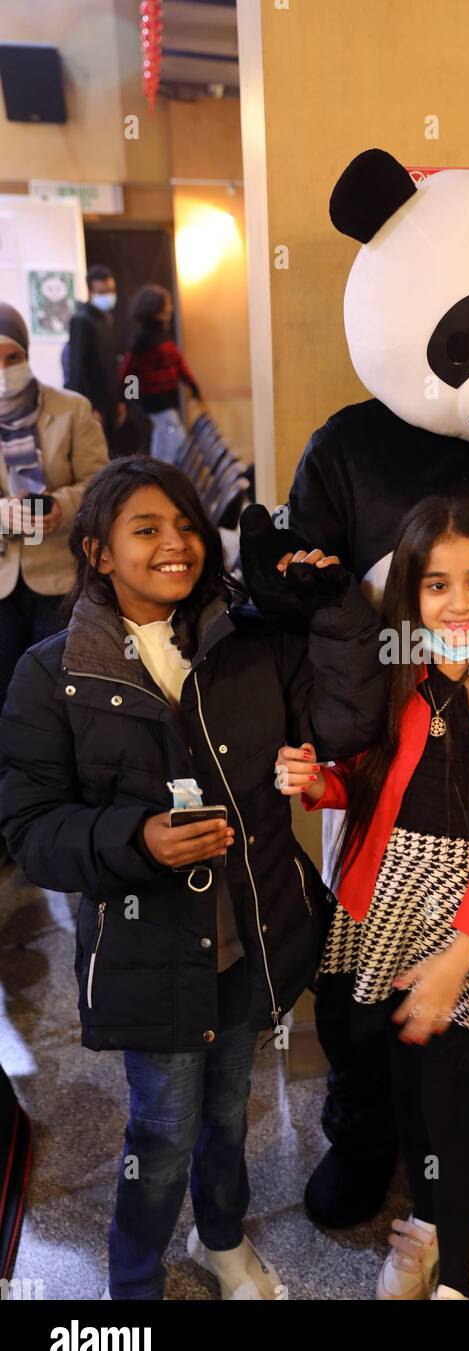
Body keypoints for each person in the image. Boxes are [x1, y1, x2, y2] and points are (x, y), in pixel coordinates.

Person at [0, 457, 386, 1301]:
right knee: (164, 1124)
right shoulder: (51, 675)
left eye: (185, 526)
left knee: (226, 1108)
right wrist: (134, 837)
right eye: (147, 530)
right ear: (99, 553)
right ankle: (132, 1275)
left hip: (254, 929)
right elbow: (30, 833)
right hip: (148, 953)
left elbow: (346, 722)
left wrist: (337, 608)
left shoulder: (246, 642)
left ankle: (221, 1240)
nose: (176, 544)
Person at [278, 497, 469, 1300]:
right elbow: (364, 784)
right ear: (409, 595)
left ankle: (451, 1271)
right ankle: (424, 1228)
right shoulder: (394, 682)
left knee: (449, 1094)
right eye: (437, 585)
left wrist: (460, 952)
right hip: (385, 903)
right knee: (398, 1071)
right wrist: (317, 782)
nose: (460, 602)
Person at [0, 302, 108, 711]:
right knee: (5, 688)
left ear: (27, 355)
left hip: (58, 574)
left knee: (58, 686)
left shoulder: (72, 408)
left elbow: (103, 484)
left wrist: (62, 505)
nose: (5, 369)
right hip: (2, 574)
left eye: (13, 357)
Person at [119, 285, 202, 464]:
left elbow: (177, 362)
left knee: (163, 442)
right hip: (155, 402)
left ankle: (159, 475)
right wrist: (130, 399)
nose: (170, 308)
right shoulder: (142, 337)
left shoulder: (162, 331)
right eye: (166, 305)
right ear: (155, 308)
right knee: (178, 442)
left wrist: (192, 386)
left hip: (167, 400)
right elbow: (128, 371)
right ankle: (167, 476)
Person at [64, 264, 122, 439]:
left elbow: (114, 363)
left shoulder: (108, 319)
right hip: (94, 406)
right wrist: (89, 408)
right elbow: (77, 367)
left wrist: (121, 400)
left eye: (110, 290)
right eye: (102, 292)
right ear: (90, 291)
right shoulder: (81, 320)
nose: (108, 295)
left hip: (111, 403)